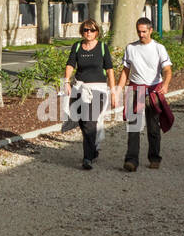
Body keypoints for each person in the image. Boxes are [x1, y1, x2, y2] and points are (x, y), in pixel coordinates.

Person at [119, 17, 172, 171]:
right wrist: (118, 89)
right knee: (133, 126)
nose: (141, 34)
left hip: (153, 90)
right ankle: (131, 160)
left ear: (150, 30)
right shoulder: (130, 48)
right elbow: (125, 71)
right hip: (135, 89)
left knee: (153, 126)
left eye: (144, 31)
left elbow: (167, 69)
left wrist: (166, 84)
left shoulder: (159, 48)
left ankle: (154, 157)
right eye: (139, 31)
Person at [62, 19, 116, 170]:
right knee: (82, 121)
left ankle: (87, 158)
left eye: (92, 30)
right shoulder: (77, 46)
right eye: (86, 30)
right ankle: (94, 149)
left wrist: (113, 92)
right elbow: (70, 64)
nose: (89, 33)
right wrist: (66, 81)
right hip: (80, 88)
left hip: (98, 89)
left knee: (90, 120)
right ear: (82, 31)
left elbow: (110, 70)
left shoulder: (103, 48)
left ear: (97, 32)